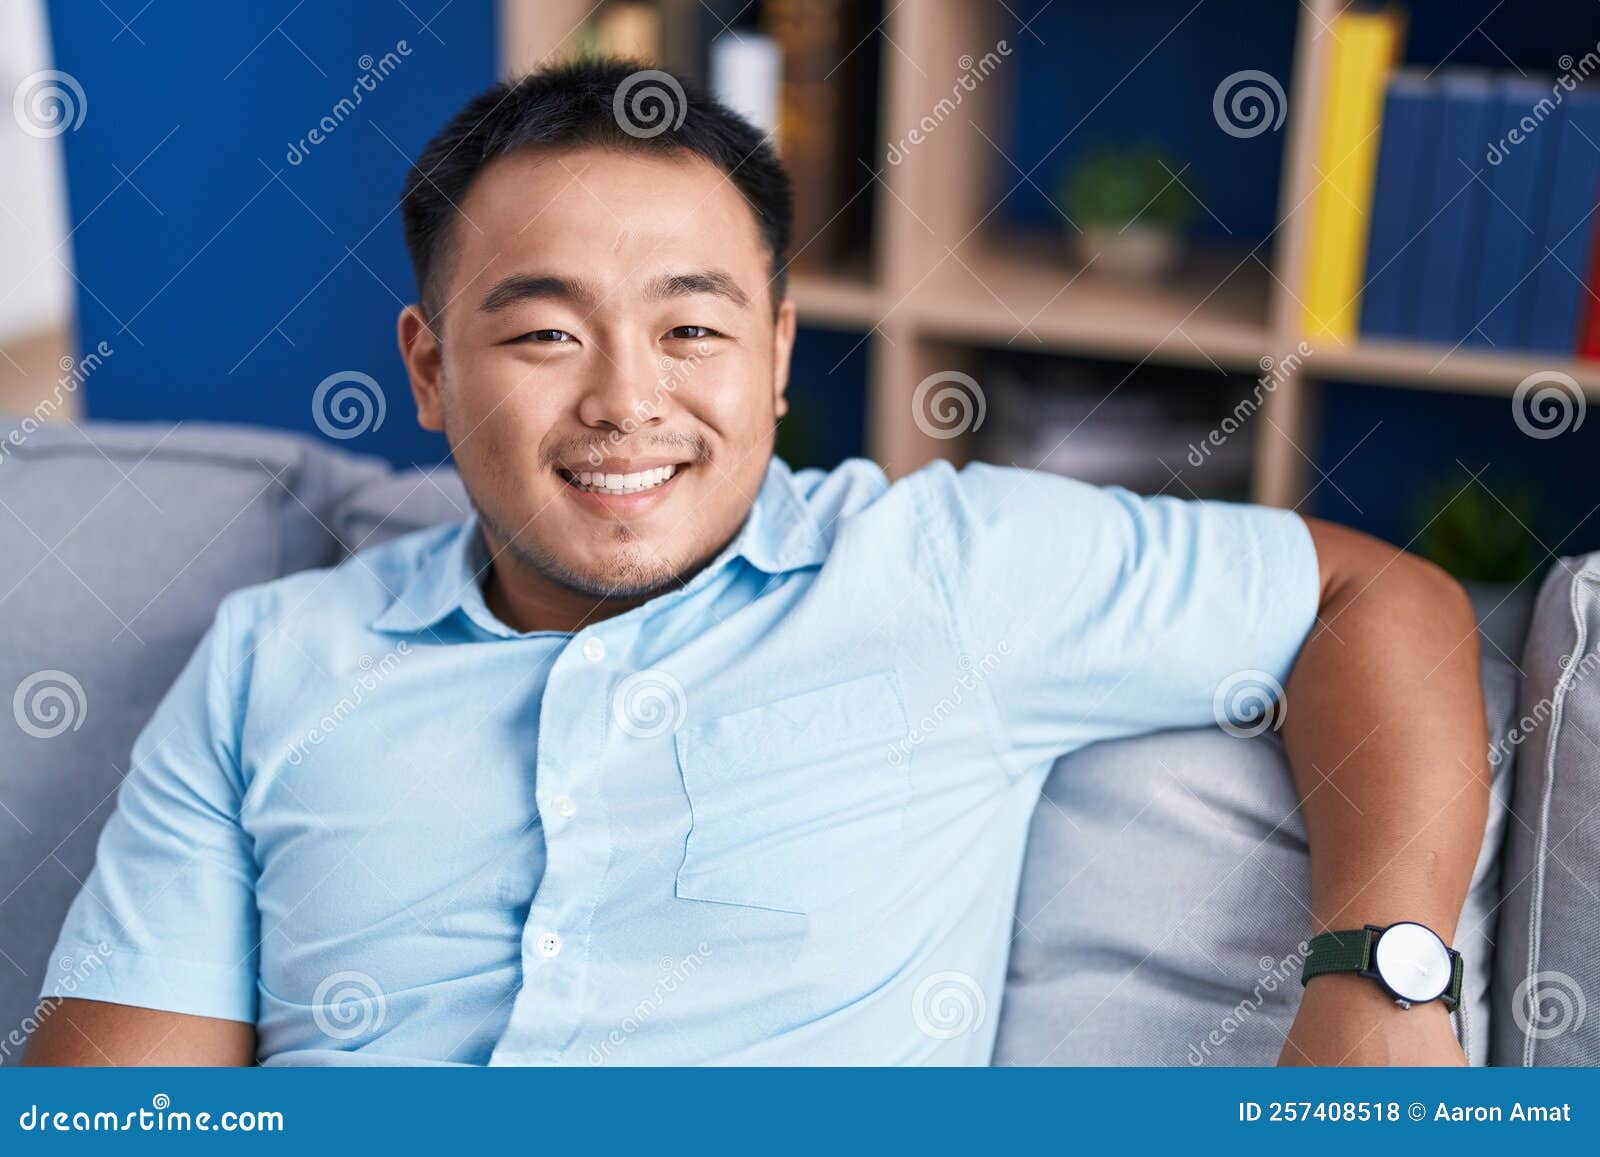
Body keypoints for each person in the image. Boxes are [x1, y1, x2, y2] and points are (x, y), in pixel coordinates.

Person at [25, 60, 1488, 1067]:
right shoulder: (275, 658)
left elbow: (1378, 597)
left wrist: (1382, 976)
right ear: (425, 368)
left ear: (778, 357)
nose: (623, 401)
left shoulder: (948, 567)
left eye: (693, 329)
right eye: (544, 333)